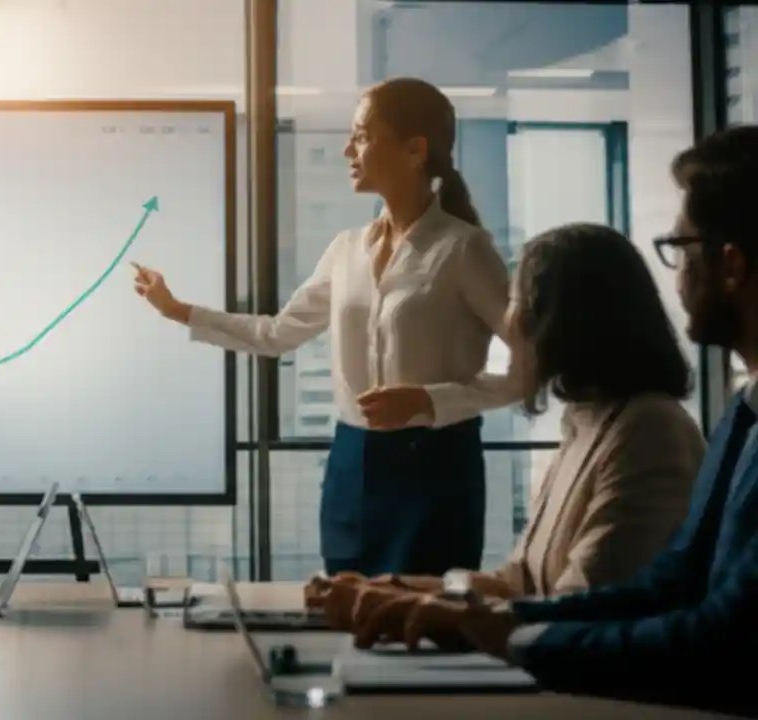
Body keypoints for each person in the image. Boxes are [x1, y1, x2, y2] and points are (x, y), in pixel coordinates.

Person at [346, 125, 758, 716]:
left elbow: (708, 632)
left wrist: (496, 629)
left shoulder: (652, 430)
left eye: (680, 246)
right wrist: (415, 596)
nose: (508, 322)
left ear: (731, 265)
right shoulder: (733, 420)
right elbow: (665, 585)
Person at [134, 77, 516, 576]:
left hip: (435, 465)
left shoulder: (464, 249)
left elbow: (530, 368)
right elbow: (277, 334)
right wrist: (179, 310)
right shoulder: (346, 249)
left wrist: (432, 401)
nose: (346, 150)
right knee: (345, 609)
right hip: (350, 461)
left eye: (360, 135)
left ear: (415, 149)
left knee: (420, 621)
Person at [308, 223, 704, 630]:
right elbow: (519, 581)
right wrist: (396, 589)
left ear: (564, 318)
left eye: (517, 301)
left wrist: (434, 613)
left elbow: (582, 608)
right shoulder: (586, 423)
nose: (508, 321)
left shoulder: (649, 434)